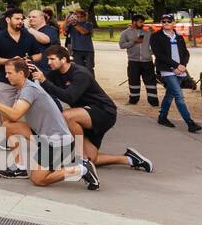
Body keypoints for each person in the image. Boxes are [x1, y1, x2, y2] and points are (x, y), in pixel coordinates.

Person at [0, 58, 100, 189]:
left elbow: (15, 114)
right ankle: (20, 168)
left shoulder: (30, 90)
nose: (6, 76)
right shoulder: (22, 89)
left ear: (21, 74)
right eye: (6, 73)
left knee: (38, 179)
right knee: (8, 126)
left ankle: (82, 169)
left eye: (9, 73)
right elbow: (11, 117)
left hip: (59, 143)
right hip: (43, 136)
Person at [35, 45, 153, 173]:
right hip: (84, 115)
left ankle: (80, 160)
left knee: (66, 116)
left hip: (103, 111)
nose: (48, 62)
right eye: (48, 59)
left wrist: (44, 81)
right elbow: (44, 80)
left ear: (63, 59)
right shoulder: (56, 73)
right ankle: (130, 159)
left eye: (52, 59)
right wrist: (29, 68)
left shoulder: (81, 73)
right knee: (91, 158)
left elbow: (69, 97)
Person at [150, 15, 200, 131]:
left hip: (180, 70)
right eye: (164, 21)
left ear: (173, 23)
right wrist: (175, 66)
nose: (166, 23)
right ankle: (190, 123)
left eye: (169, 21)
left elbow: (185, 53)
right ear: (161, 23)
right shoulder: (156, 37)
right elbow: (159, 55)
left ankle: (162, 117)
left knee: (170, 94)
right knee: (179, 95)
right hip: (167, 70)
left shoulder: (179, 37)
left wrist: (183, 66)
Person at [0, 8, 41, 106]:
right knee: (5, 111)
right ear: (8, 20)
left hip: (26, 81)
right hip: (5, 81)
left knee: (32, 112)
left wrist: (29, 59)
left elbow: (39, 55)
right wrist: (10, 61)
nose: (20, 21)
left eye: (21, 19)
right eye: (17, 19)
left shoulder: (29, 36)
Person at [118, 14, 159, 106]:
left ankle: (154, 102)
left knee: (151, 82)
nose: (142, 24)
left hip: (147, 61)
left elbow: (155, 45)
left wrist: (150, 53)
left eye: (143, 22)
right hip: (133, 61)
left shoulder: (147, 33)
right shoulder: (125, 33)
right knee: (133, 81)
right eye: (141, 22)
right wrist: (133, 42)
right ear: (134, 22)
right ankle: (133, 100)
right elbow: (122, 45)